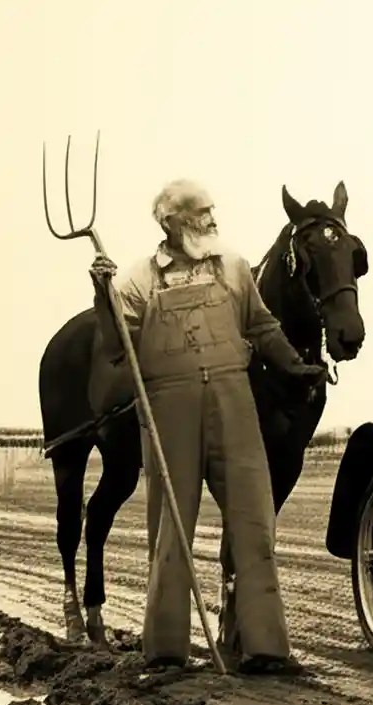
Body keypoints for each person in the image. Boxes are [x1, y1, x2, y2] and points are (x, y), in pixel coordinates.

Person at [88, 178, 326, 674]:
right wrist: (101, 296)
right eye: (201, 212)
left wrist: (292, 364)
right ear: (172, 223)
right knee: (172, 531)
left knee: (255, 523)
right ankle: (167, 651)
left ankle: (265, 648)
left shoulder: (236, 269)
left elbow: (261, 327)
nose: (211, 219)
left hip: (233, 402)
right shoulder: (136, 282)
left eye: (212, 210)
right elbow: (116, 346)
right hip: (169, 409)